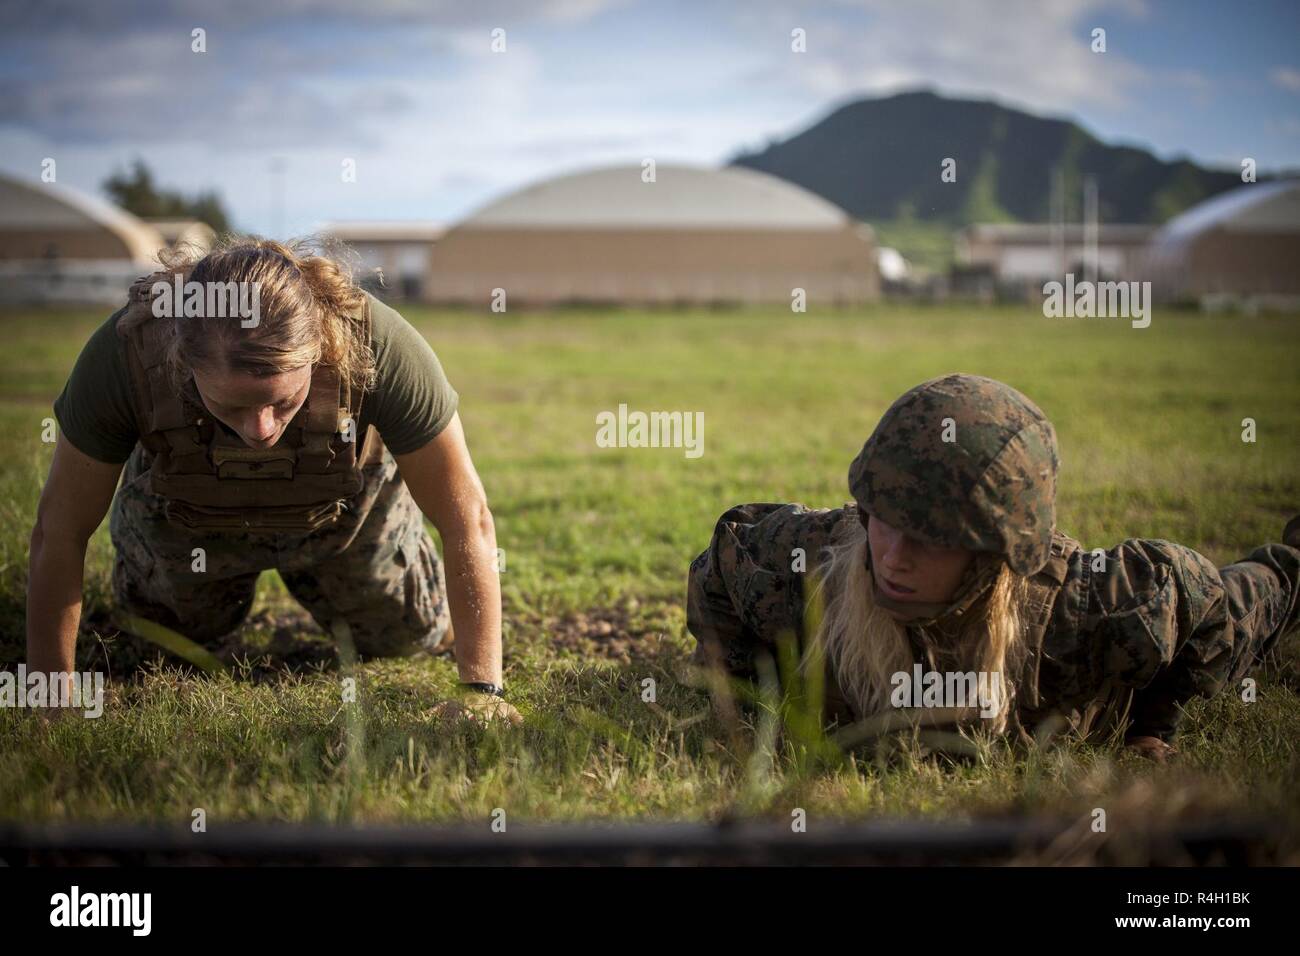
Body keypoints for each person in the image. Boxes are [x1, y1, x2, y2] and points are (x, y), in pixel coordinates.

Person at [27, 237, 520, 724]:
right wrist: (52, 695)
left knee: (403, 640)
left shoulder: (375, 341)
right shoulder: (128, 353)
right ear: (183, 361)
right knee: (163, 644)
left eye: (281, 402)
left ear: (319, 350)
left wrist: (482, 690)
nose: (260, 430)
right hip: (187, 517)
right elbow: (60, 530)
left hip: (344, 519)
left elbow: (466, 517)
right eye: (232, 406)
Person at [686, 373, 1299, 760]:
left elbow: (1198, 595)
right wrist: (743, 698)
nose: (893, 558)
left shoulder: (1095, 607)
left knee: (1262, 594)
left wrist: (1151, 725)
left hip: (1127, 661)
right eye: (884, 521)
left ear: (993, 559)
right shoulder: (808, 561)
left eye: (932, 540)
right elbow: (720, 563)